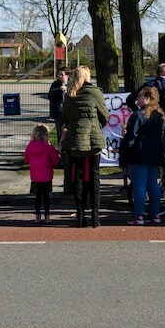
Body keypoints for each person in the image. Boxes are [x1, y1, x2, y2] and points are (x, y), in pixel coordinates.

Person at [60, 66, 107, 228]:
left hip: (75, 140)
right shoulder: (95, 93)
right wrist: (96, 125)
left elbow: (65, 117)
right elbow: (104, 116)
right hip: (93, 139)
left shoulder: (70, 94)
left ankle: (80, 215)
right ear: (88, 77)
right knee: (94, 176)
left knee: (78, 176)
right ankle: (95, 216)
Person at [119, 87, 165, 225]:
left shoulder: (138, 115)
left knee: (139, 185)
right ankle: (154, 214)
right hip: (154, 153)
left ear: (147, 98)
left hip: (139, 153)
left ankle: (138, 215)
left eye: (140, 96)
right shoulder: (158, 115)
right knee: (152, 184)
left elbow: (131, 136)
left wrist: (123, 147)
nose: (137, 99)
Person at [25, 124, 61, 224]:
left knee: (37, 196)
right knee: (46, 197)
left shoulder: (30, 146)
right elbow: (55, 161)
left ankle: (37, 216)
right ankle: (47, 216)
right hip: (46, 175)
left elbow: (26, 159)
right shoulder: (48, 147)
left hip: (35, 176)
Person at [48, 68, 69, 143]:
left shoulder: (71, 84)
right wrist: (59, 90)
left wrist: (67, 90)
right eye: (59, 74)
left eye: (62, 74)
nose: (60, 76)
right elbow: (50, 96)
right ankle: (60, 149)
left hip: (69, 112)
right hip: (58, 112)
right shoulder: (55, 84)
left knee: (69, 131)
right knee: (60, 132)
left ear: (67, 75)